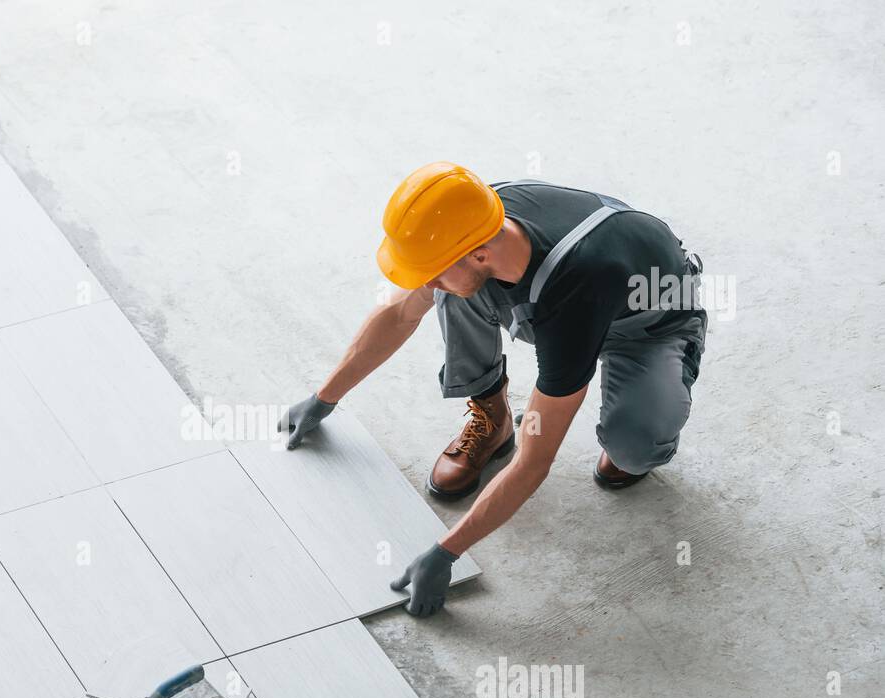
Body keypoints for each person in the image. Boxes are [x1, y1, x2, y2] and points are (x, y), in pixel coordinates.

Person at [280, 164, 707, 616]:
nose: (426, 281)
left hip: (648, 321)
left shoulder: (573, 294)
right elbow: (400, 313)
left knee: (633, 448)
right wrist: (325, 398)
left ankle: (643, 416)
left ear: (480, 254)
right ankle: (493, 418)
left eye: (434, 271)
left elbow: (534, 463)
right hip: (566, 294)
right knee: (453, 292)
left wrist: (447, 551)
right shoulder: (474, 220)